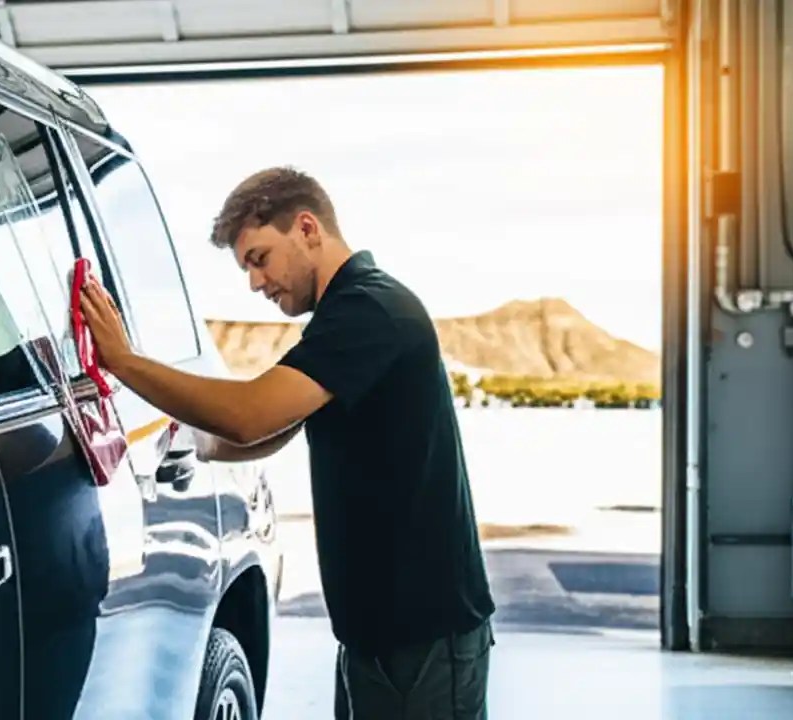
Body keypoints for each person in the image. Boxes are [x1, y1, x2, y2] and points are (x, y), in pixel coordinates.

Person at [78, 166, 495, 719]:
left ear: (306, 228)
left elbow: (252, 414)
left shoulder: (370, 312)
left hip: (422, 639)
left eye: (259, 258)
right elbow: (273, 427)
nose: (255, 282)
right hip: (381, 636)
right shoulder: (348, 315)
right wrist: (199, 440)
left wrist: (125, 362)